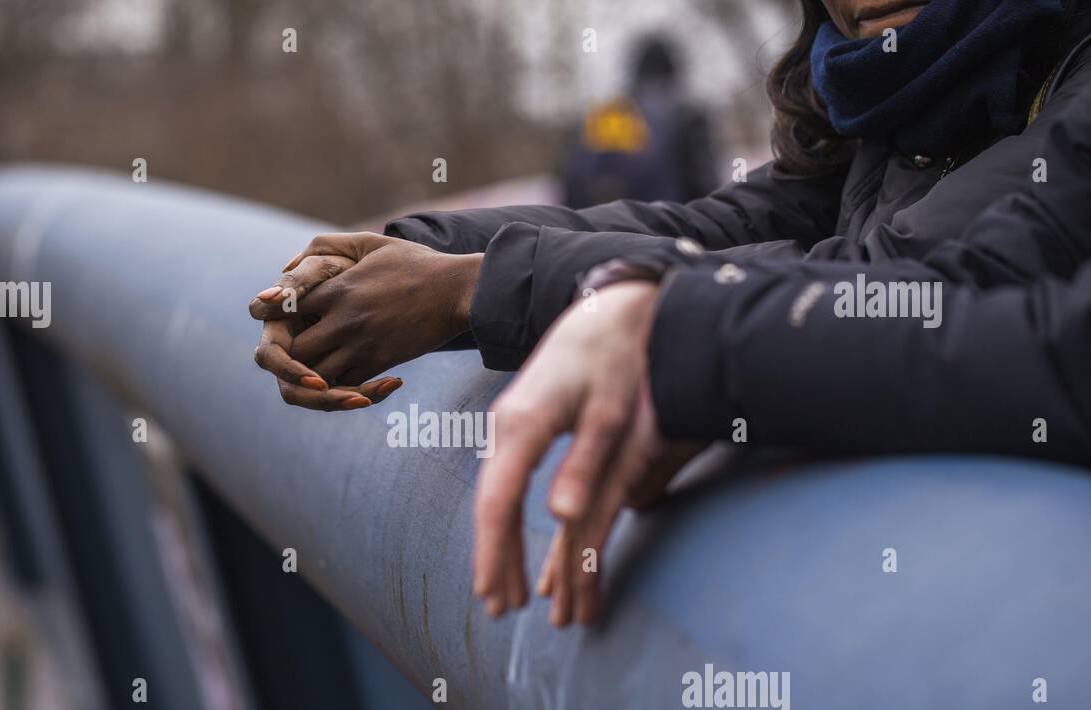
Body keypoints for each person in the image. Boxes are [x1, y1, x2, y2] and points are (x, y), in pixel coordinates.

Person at [249, 0, 1091, 624]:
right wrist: (420, 254)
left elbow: (897, 280)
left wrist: (482, 288)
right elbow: (718, 222)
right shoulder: (901, 93)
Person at [562, 36, 719, 209]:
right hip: (665, 228)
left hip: (599, 229)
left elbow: (572, 182)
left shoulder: (604, 113)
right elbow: (704, 186)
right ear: (673, 67)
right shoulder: (687, 113)